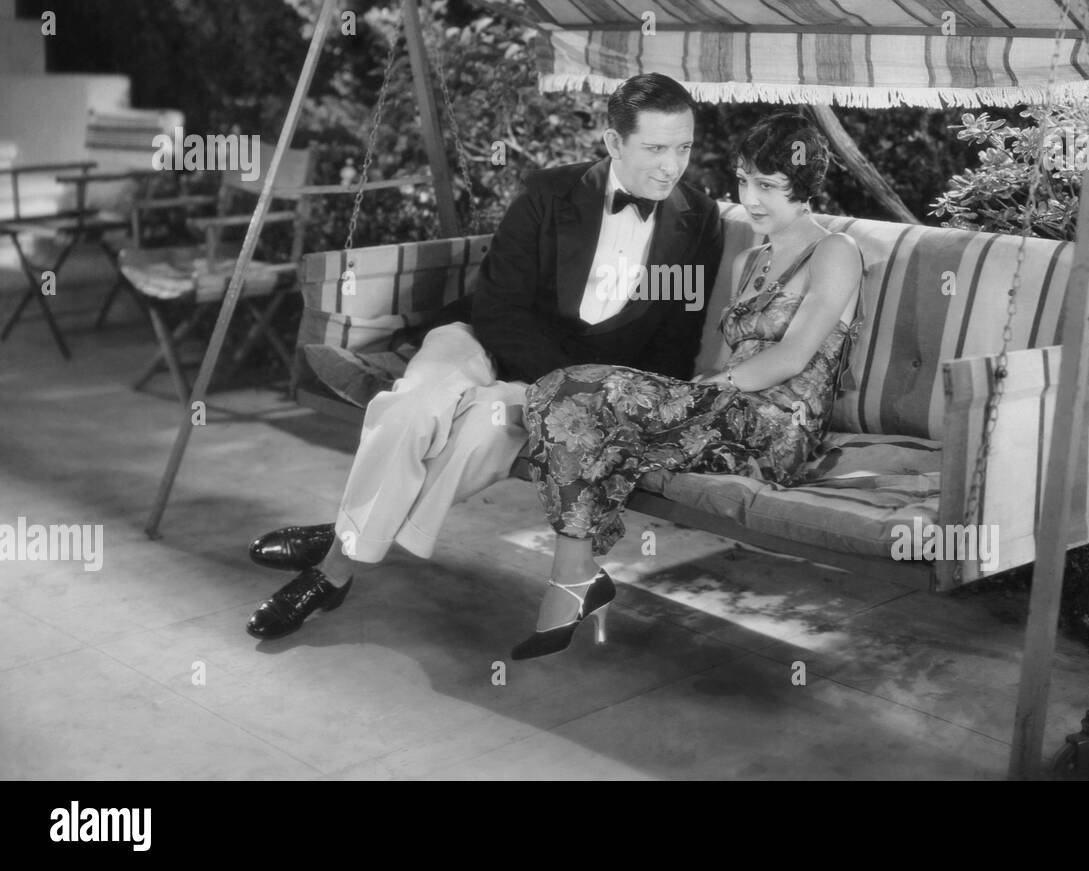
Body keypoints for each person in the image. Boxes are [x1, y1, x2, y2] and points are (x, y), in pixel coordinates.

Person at [244, 73, 723, 639]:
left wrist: (598, 405)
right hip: (481, 339)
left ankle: (335, 564)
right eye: (656, 148)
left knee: (473, 439)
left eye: (684, 148)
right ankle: (344, 543)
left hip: (567, 391)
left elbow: (674, 339)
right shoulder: (549, 192)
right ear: (613, 142)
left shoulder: (698, 220)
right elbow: (499, 308)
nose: (672, 166)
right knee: (413, 410)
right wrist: (551, 381)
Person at [511, 112, 863, 660]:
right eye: (744, 181)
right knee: (558, 395)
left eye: (768, 185)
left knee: (574, 390)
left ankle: (573, 582)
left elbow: (792, 357)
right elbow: (727, 359)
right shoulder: (753, 259)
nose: (752, 198)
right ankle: (575, 574)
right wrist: (691, 392)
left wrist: (705, 387)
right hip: (723, 414)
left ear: (807, 186)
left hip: (774, 430)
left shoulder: (835, 251)